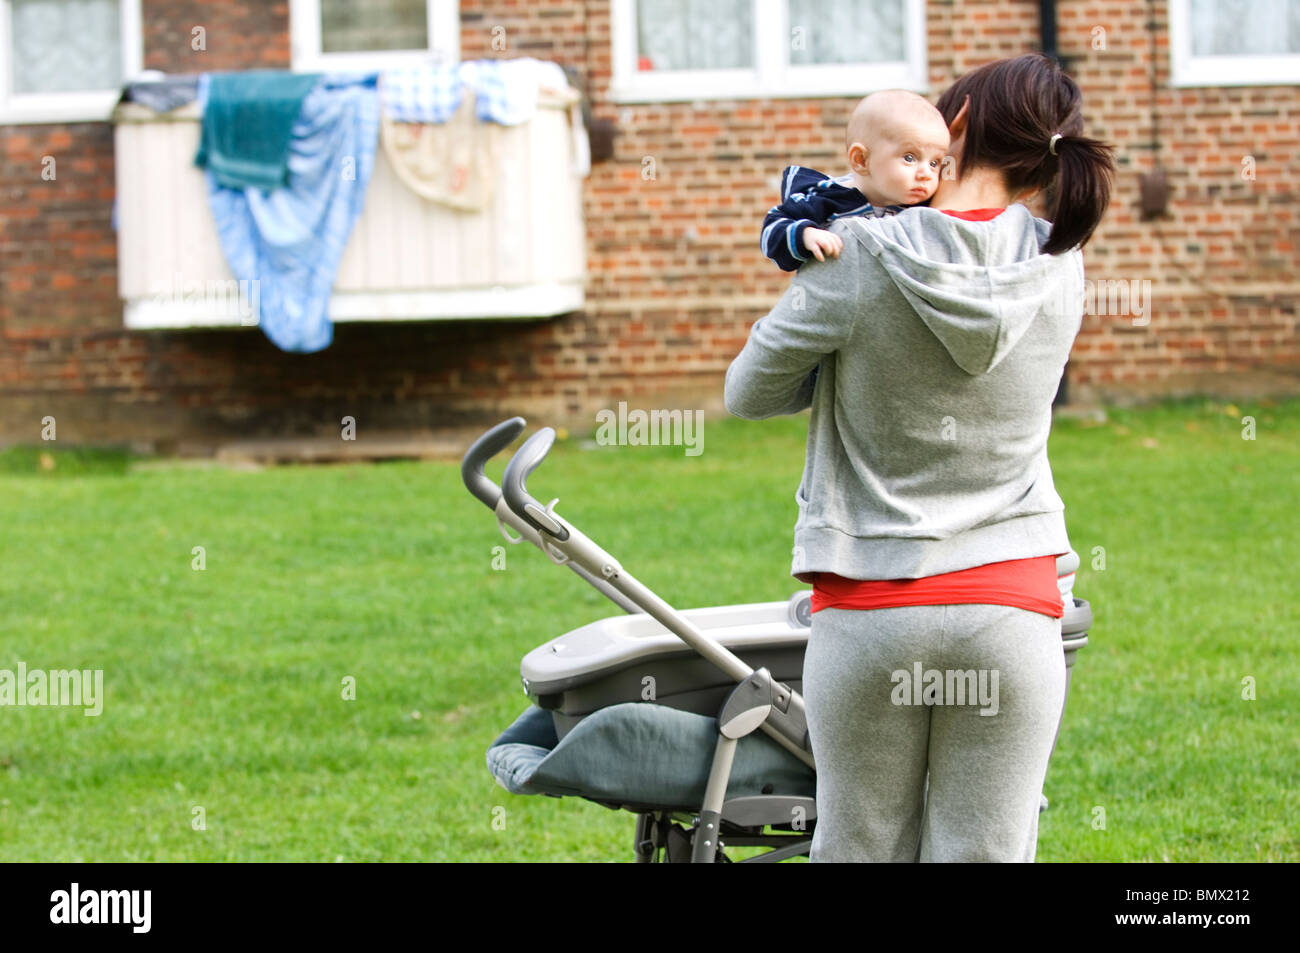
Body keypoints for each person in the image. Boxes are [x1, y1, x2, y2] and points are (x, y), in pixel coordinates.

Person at [724, 52, 1116, 862]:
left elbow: (749, 392)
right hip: (1014, 609)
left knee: (861, 848)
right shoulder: (1061, 264)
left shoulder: (858, 254)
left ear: (959, 128)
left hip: (871, 609)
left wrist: (843, 357)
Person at [761, 89, 951, 272]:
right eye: (910, 158)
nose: (926, 173)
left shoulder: (925, 208)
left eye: (935, 163)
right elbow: (773, 229)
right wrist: (805, 234)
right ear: (861, 160)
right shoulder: (826, 198)